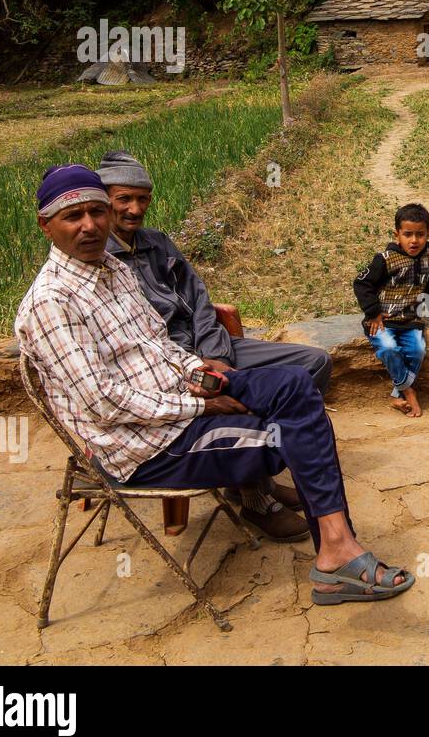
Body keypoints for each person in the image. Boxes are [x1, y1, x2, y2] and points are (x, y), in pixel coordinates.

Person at [16, 165, 413, 604]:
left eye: (96, 212)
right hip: (149, 445)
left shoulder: (114, 268)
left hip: (182, 393)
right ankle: (333, 553)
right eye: (74, 217)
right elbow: (103, 403)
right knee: (298, 434)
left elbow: (161, 344)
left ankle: (335, 549)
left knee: (296, 386)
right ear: (45, 225)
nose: (90, 225)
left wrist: (205, 377)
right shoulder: (52, 302)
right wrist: (205, 407)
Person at [100, 150, 330, 541]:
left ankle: (254, 475)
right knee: (245, 397)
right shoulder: (100, 259)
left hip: (210, 347)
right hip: (168, 365)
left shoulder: (158, 243)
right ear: (103, 199)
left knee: (315, 363)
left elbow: (200, 302)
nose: (135, 209)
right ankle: (255, 496)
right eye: (124, 199)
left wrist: (216, 355)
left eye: (143, 199)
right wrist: (199, 366)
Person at [353, 203, 429, 418]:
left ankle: (396, 393)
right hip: (382, 321)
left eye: (420, 234)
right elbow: (361, 284)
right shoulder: (385, 259)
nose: (414, 240)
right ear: (396, 234)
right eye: (408, 234)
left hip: (411, 320)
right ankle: (409, 391)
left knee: (418, 350)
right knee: (389, 347)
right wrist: (373, 312)